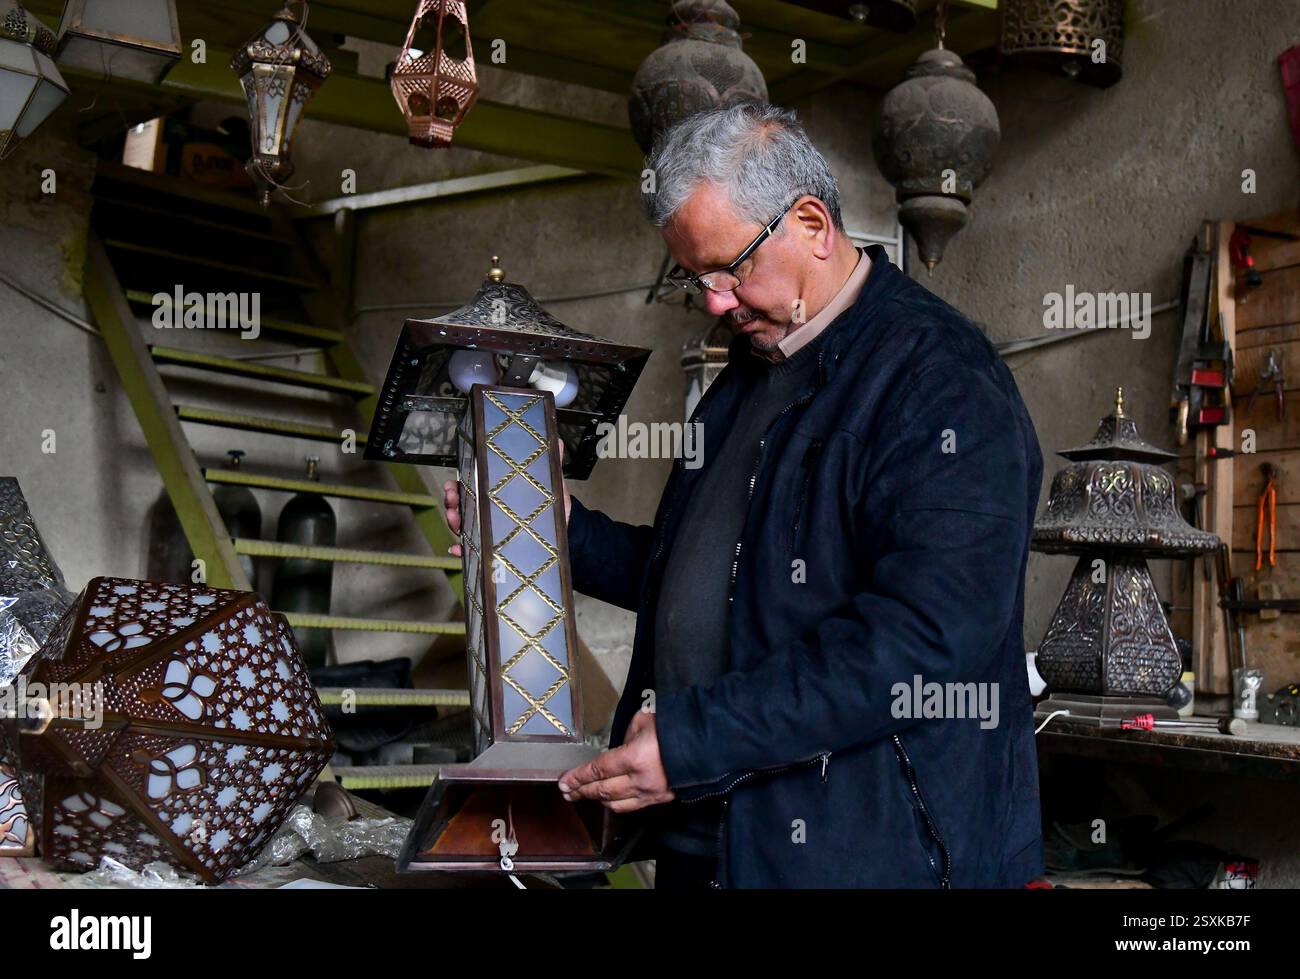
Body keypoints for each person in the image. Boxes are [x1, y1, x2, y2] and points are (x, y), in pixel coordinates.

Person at [444, 101, 1045, 888]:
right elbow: (715, 575)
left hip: (864, 852)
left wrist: (696, 738)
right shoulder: (750, 373)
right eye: (698, 278)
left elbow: (922, 642)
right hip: (712, 833)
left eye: (731, 269)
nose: (716, 301)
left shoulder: (941, 384)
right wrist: (563, 532)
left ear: (812, 223)